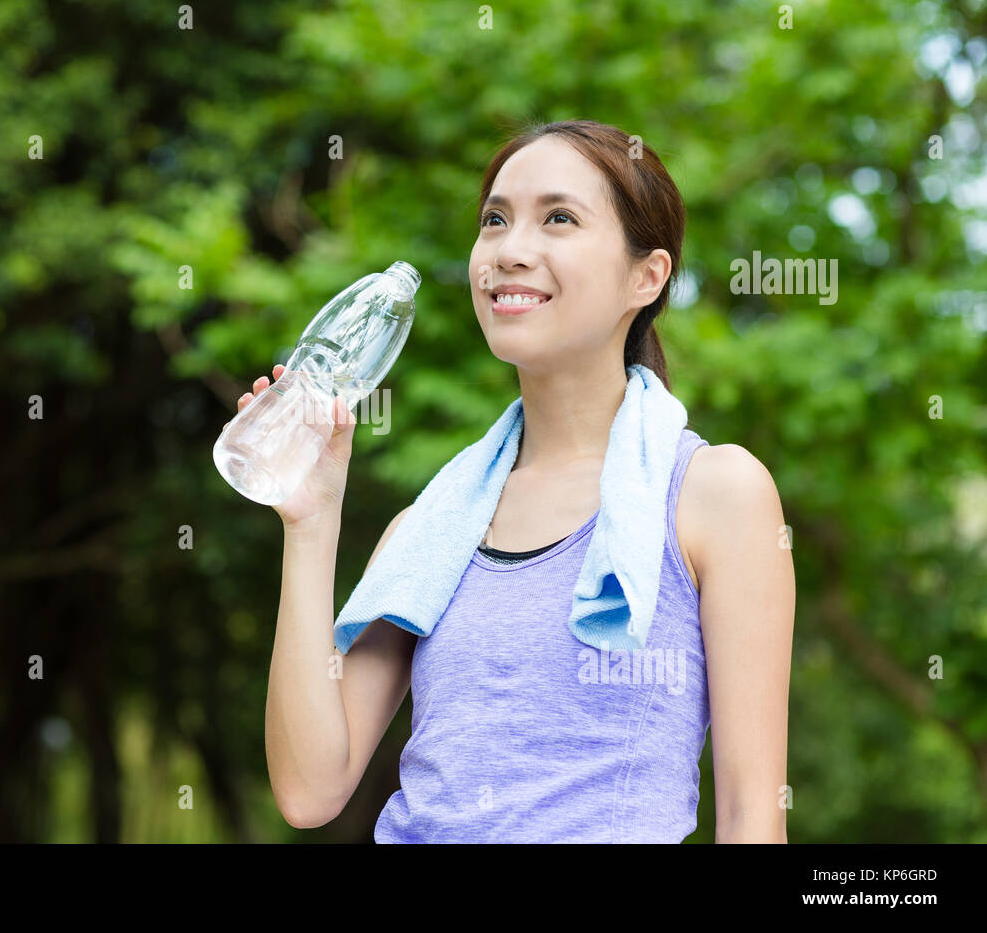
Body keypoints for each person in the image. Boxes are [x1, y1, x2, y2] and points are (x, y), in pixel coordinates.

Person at [243, 120, 795, 842]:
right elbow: (309, 790)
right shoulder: (428, 531)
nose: (510, 251)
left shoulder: (713, 494)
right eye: (494, 221)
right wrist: (311, 524)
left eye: (558, 218)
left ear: (647, 277)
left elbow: (752, 816)